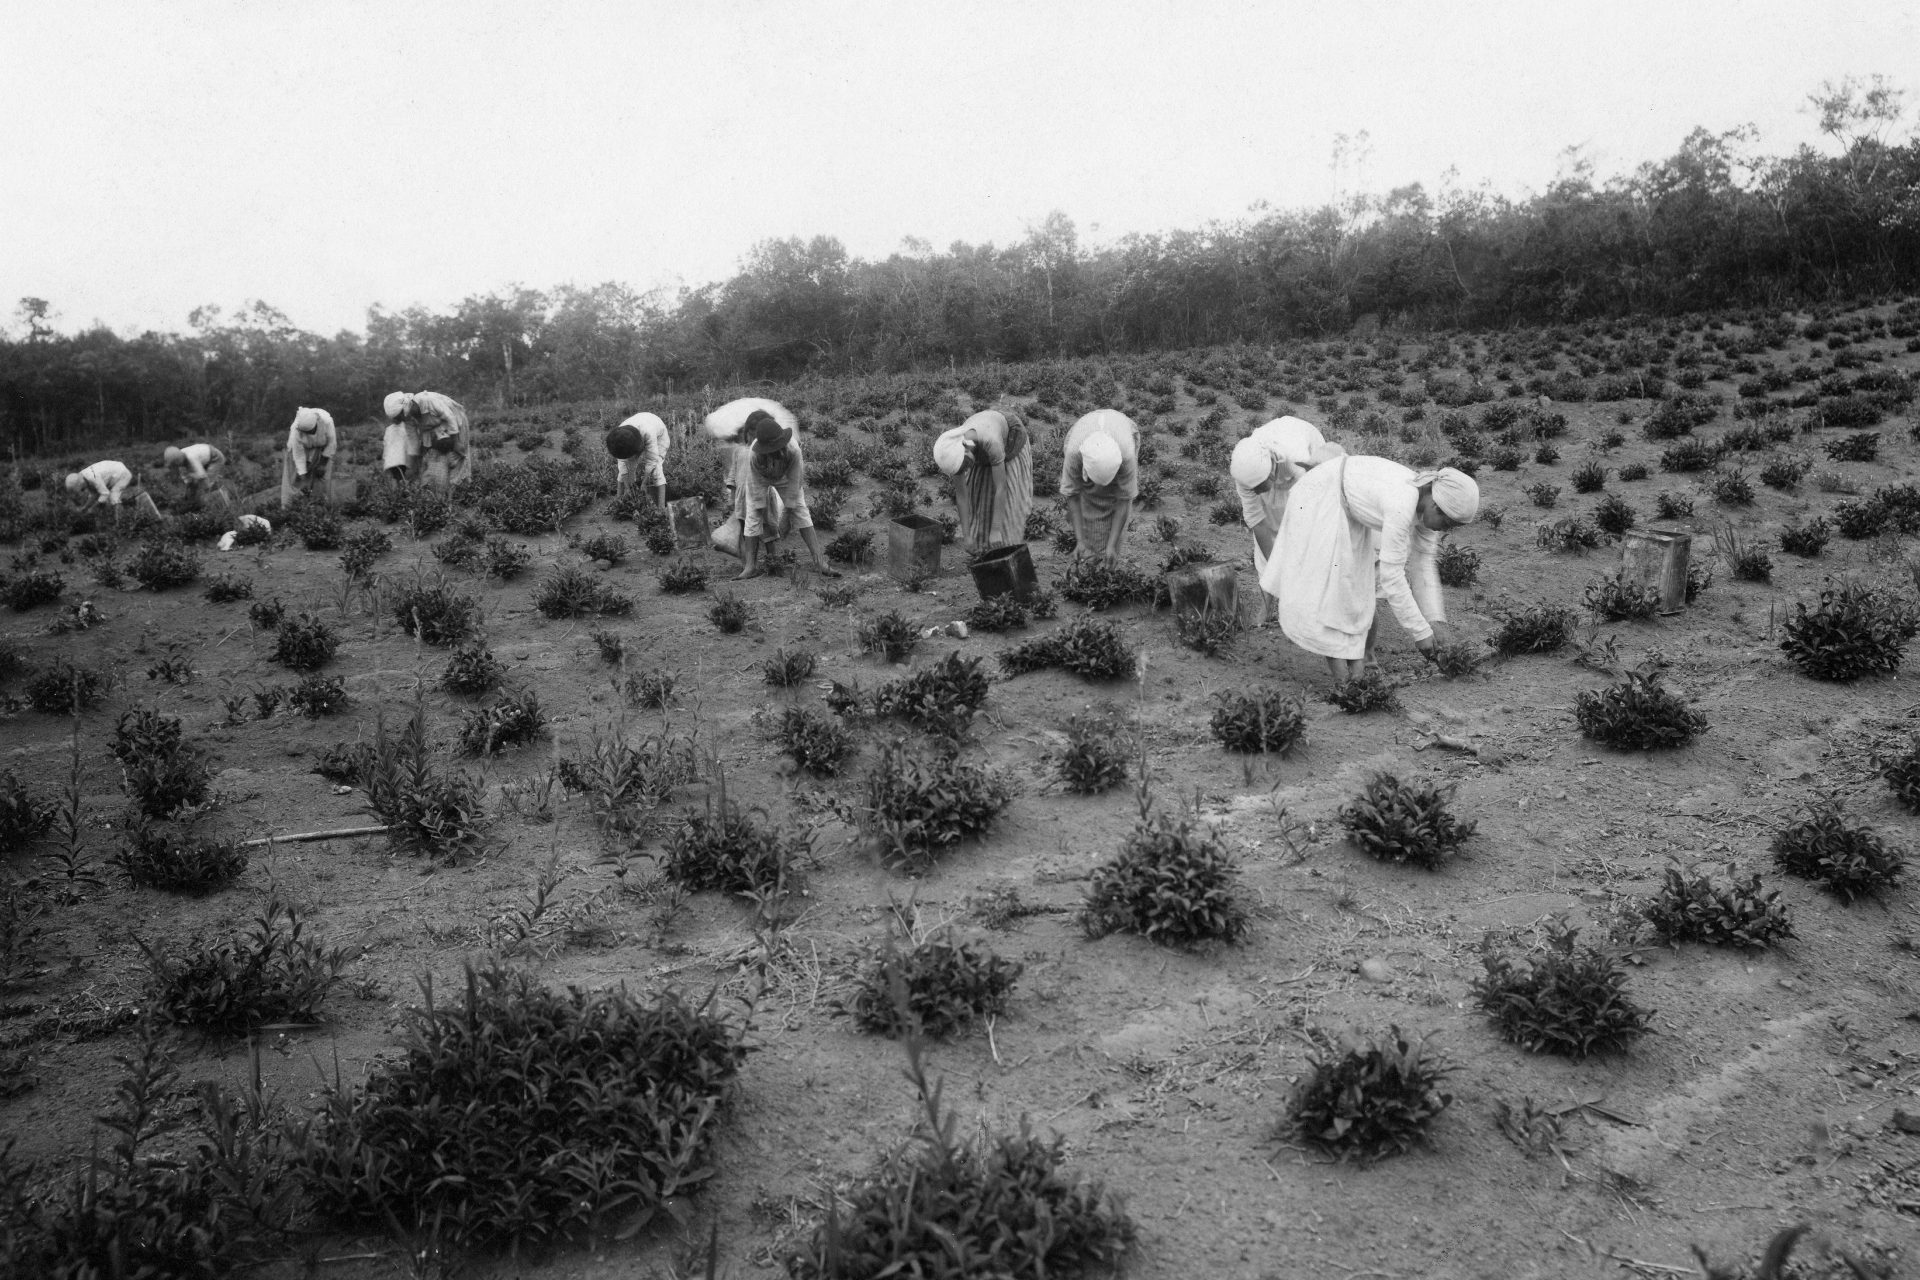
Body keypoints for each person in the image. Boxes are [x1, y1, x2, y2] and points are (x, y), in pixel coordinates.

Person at [1263, 458, 1479, 682]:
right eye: (1447, 525)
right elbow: (1392, 577)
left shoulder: (1427, 504)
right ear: (1437, 506)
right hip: (1319, 495)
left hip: (1347, 506)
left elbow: (1423, 564)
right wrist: (1420, 632)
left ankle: (1359, 674)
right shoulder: (1402, 502)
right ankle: (1345, 683)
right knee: (1334, 591)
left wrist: (1435, 621)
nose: (1446, 531)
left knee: (1357, 589)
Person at [1229, 417, 1345, 624]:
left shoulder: (1296, 456)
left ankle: (1318, 602)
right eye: (1253, 488)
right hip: (1276, 471)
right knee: (1269, 538)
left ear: (1272, 468)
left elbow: (1312, 500)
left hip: (1305, 466)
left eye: (1260, 486)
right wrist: (1278, 570)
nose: (1256, 492)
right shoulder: (1245, 475)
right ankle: (1267, 605)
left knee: (1307, 536)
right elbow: (1259, 524)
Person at [735, 409, 839, 581]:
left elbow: (794, 485)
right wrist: (764, 515)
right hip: (761, 478)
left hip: (786, 477)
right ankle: (750, 566)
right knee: (753, 516)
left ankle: (819, 561)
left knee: (800, 510)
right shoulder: (754, 454)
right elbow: (757, 488)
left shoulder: (793, 449)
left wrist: (786, 518)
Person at [932, 408, 1033, 556]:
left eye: (964, 467)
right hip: (984, 437)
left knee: (1008, 503)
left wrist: (996, 530)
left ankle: (1007, 551)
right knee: (979, 496)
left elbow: (1001, 488)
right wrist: (967, 536)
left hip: (1011, 438)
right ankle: (982, 551)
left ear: (968, 454)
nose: (964, 471)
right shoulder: (955, 452)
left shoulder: (991, 441)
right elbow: (962, 496)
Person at [1058, 409, 1140, 570]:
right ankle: (1090, 553)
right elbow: (1073, 495)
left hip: (1121, 426)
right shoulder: (1074, 453)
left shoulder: (1126, 455)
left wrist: (1111, 545)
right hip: (1083, 428)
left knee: (1114, 501)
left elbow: (1124, 500)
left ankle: (1108, 556)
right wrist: (1080, 540)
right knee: (1088, 501)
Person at [383, 391, 474, 494]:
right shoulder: (408, 419)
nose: (401, 420)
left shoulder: (426, 400)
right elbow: (413, 440)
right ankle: (442, 487)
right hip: (436, 427)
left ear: (404, 408)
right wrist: (413, 463)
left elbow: (449, 416)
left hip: (456, 420)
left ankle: (462, 487)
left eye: (400, 416)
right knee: (437, 454)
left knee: (459, 453)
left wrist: (456, 440)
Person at [607, 411, 671, 507]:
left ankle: (661, 508)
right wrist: (627, 487)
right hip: (635, 435)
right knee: (625, 469)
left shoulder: (649, 432)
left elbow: (652, 460)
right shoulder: (618, 437)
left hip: (658, 433)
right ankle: (618, 501)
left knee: (656, 469)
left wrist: (644, 483)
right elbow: (622, 464)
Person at [280, 407, 337, 506]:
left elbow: (331, 443)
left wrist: (322, 464)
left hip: (321, 449)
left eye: (310, 432)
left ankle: (321, 506)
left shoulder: (326, 421)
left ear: (316, 425)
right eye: (305, 433)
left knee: (322, 477)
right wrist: (302, 476)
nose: (307, 434)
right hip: (299, 452)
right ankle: (290, 509)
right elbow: (298, 455)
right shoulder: (296, 431)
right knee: (295, 481)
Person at [65, 460, 135, 508]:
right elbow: (93, 495)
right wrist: (85, 507)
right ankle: (130, 504)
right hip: (115, 473)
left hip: (122, 474)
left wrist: (92, 508)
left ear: (79, 484)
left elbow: (105, 493)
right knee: (111, 500)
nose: (81, 490)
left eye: (80, 489)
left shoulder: (92, 477)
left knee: (114, 497)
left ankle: (120, 520)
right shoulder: (84, 477)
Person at [161, 443, 226, 493]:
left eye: (175, 464)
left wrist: (191, 475)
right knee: (199, 484)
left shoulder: (191, 457)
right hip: (205, 460)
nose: (175, 467)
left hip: (215, 458)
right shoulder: (179, 459)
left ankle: (222, 501)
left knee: (207, 485)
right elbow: (188, 481)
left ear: (178, 461)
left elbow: (202, 475)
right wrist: (189, 491)